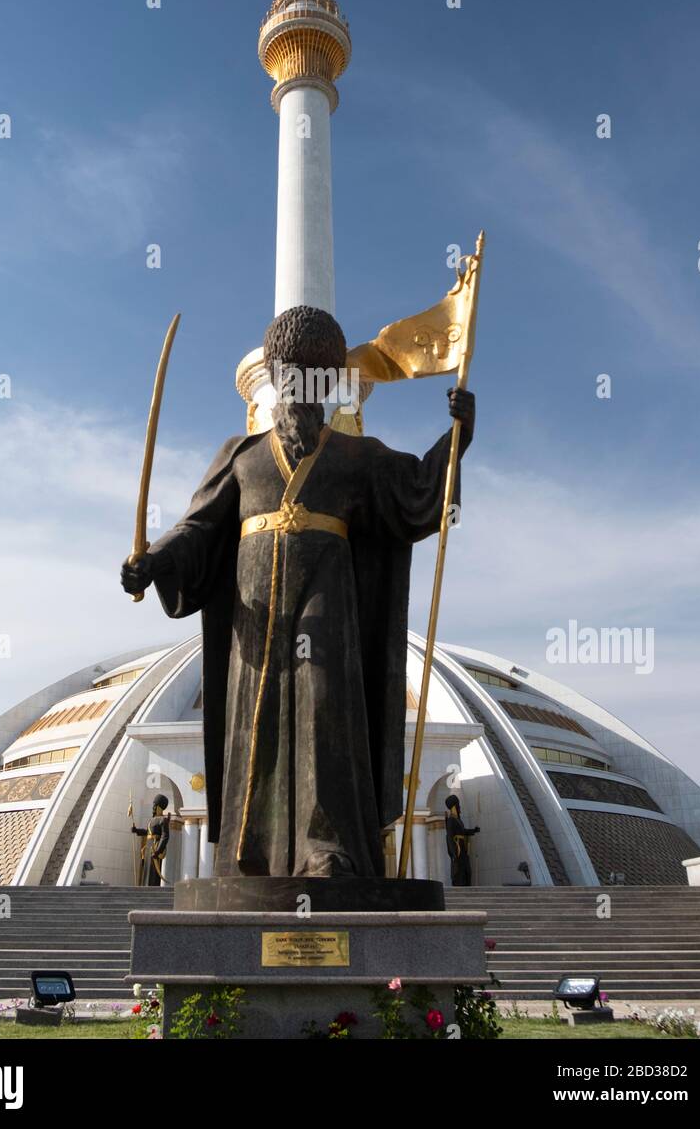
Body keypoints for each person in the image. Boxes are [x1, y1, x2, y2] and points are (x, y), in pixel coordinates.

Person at [121, 305, 475, 880]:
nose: (300, 386)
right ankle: (249, 849)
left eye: (314, 374)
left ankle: (326, 846)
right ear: (277, 375)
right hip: (252, 603)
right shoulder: (241, 455)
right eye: (292, 371)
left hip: (327, 595)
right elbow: (199, 528)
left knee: (325, 706)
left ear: (328, 383)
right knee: (251, 719)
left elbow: (416, 494)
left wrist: (458, 436)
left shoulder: (357, 456)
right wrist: (154, 560)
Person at [131, 793, 170, 886]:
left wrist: (158, 851)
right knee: (146, 871)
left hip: (155, 848)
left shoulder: (162, 820)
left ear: (159, 807)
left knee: (153, 873)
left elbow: (165, 836)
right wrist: (137, 831)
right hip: (148, 848)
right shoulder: (151, 820)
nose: (153, 807)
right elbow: (148, 832)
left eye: (154, 805)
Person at [445, 793, 480, 886]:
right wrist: (454, 853)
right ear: (454, 807)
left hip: (462, 846)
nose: (460, 808)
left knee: (466, 869)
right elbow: (449, 837)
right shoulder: (451, 820)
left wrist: (474, 830)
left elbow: (463, 831)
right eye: (458, 806)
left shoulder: (458, 820)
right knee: (459, 869)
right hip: (458, 849)